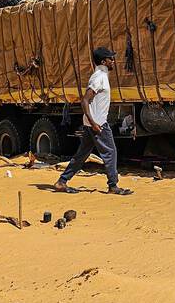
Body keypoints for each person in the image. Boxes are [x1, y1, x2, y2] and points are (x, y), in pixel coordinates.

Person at [54, 46, 133, 195]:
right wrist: (94, 123)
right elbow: (85, 100)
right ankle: (113, 186)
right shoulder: (99, 78)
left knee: (82, 154)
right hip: (97, 123)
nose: (113, 61)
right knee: (110, 152)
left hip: (92, 123)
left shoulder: (101, 76)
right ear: (103, 61)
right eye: (111, 59)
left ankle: (62, 181)